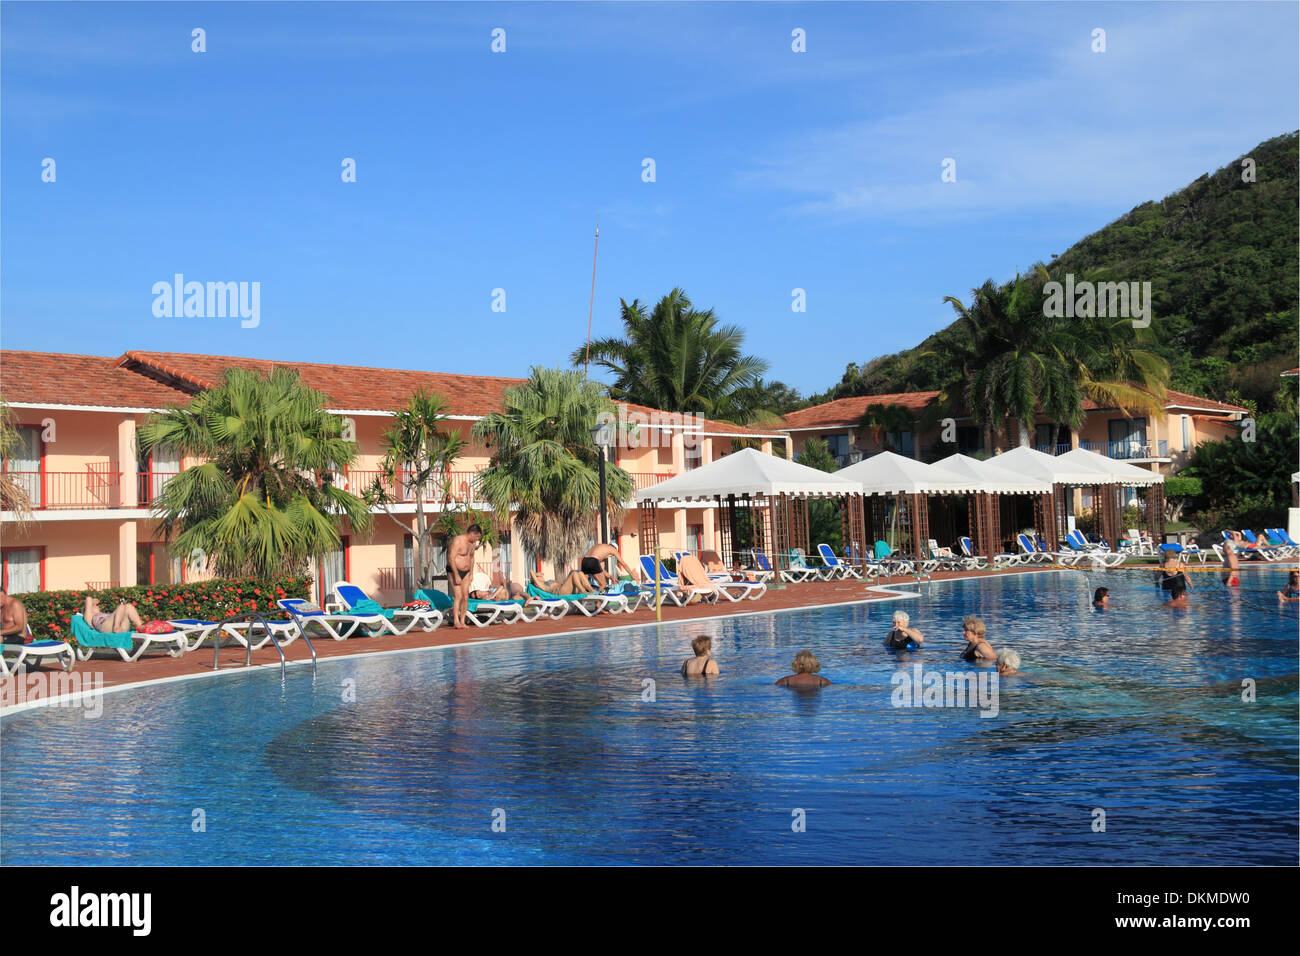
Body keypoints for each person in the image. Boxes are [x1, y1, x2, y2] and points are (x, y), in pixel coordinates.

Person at [446, 523, 483, 628]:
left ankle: (463, 621)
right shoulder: (458, 541)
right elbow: (451, 558)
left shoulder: (472, 544)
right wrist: (456, 575)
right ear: (472, 533)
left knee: (466, 597)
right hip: (454, 570)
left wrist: (471, 573)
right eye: (476, 537)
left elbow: (471, 558)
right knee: (458, 596)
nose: (476, 539)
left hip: (466, 572)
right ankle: (456, 622)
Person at [529, 568, 596, 595]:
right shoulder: (540, 585)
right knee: (574, 574)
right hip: (560, 592)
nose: (541, 576)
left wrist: (538, 575)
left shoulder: (546, 582)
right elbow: (531, 571)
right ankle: (583, 591)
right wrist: (536, 575)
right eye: (538, 576)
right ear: (535, 580)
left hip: (564, 588)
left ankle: (590, 589)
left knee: (580, 573)